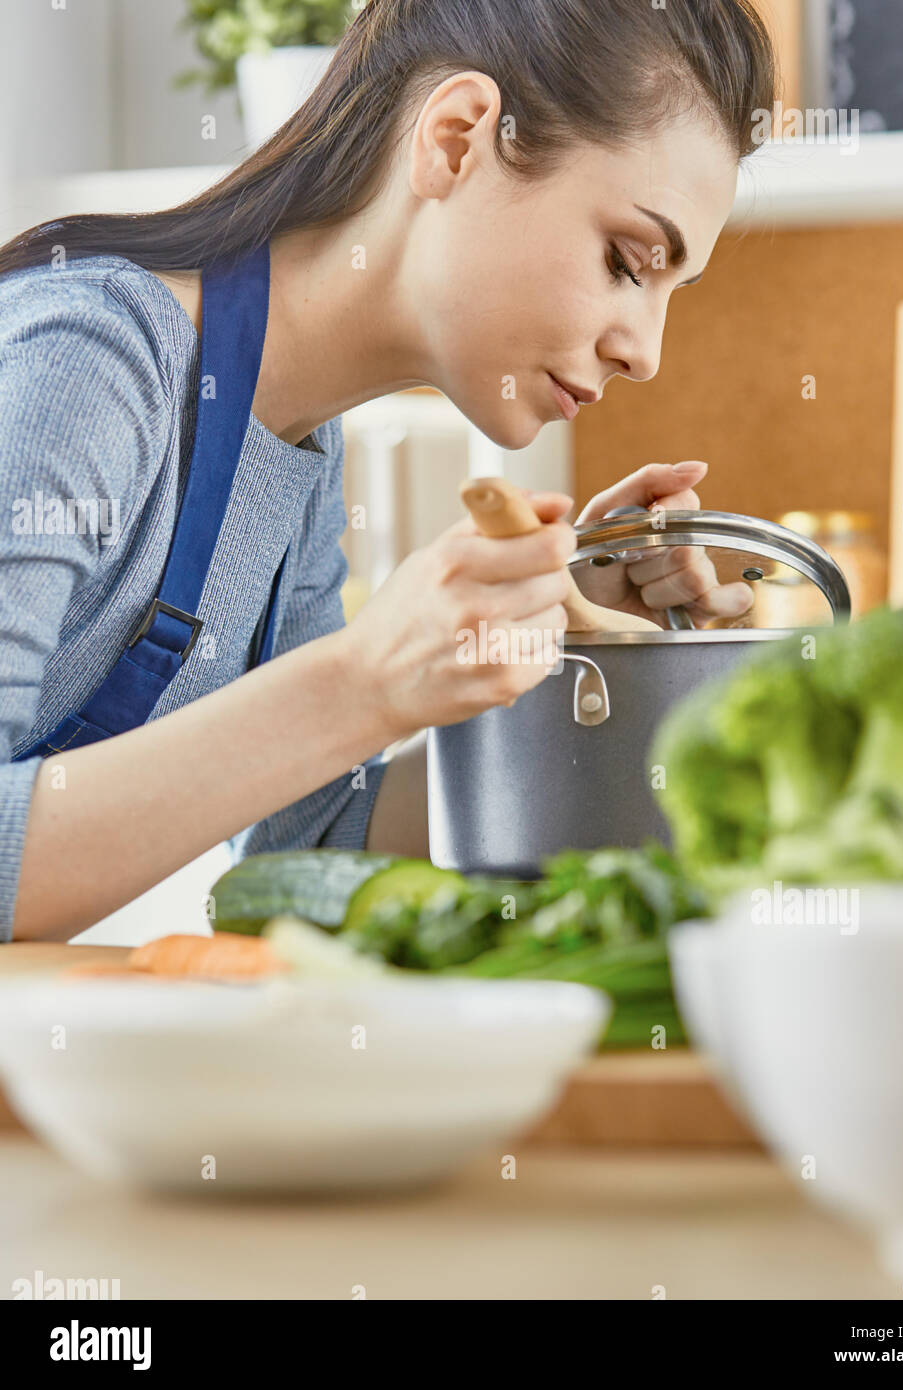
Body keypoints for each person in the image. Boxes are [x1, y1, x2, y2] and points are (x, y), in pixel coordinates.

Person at [0, 0, 775, 943]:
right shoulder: (89, 358)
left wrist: (559, 670)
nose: (644, 352)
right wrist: (363, 679)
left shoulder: (295, 446)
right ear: (455, 141)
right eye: (624, 261)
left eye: (668, 292)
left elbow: (312, 851)